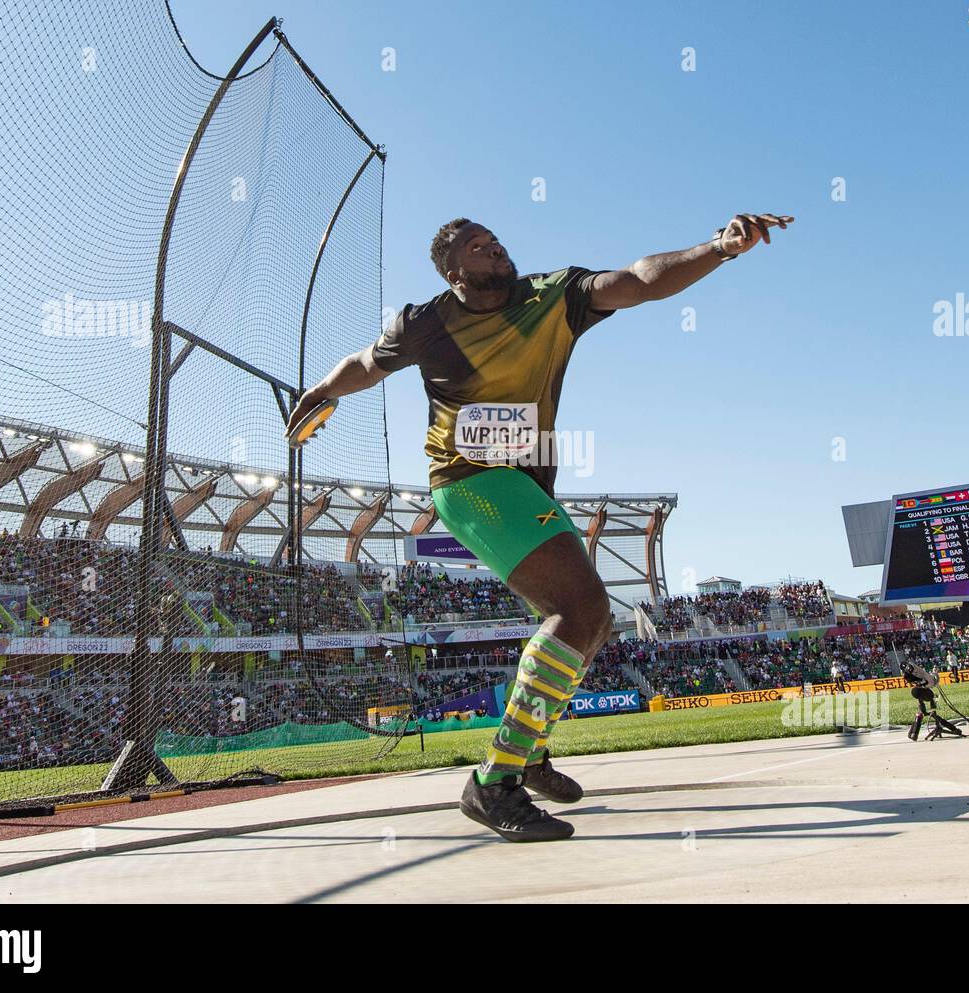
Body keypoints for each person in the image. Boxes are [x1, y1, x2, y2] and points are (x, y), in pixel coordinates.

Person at [287, 212, 793, 841]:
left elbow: (640, 280)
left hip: (525, 487)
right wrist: (325, 390)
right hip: (470, 483)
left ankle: (528, 752)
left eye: (495, 239)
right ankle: (493, 781)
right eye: (478, 246)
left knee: (594, 624)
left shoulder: (552, 296)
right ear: (455, 272)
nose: (495, 247)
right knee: (580, 608)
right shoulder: (426, 321)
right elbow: (368, 363)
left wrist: (718, 248)